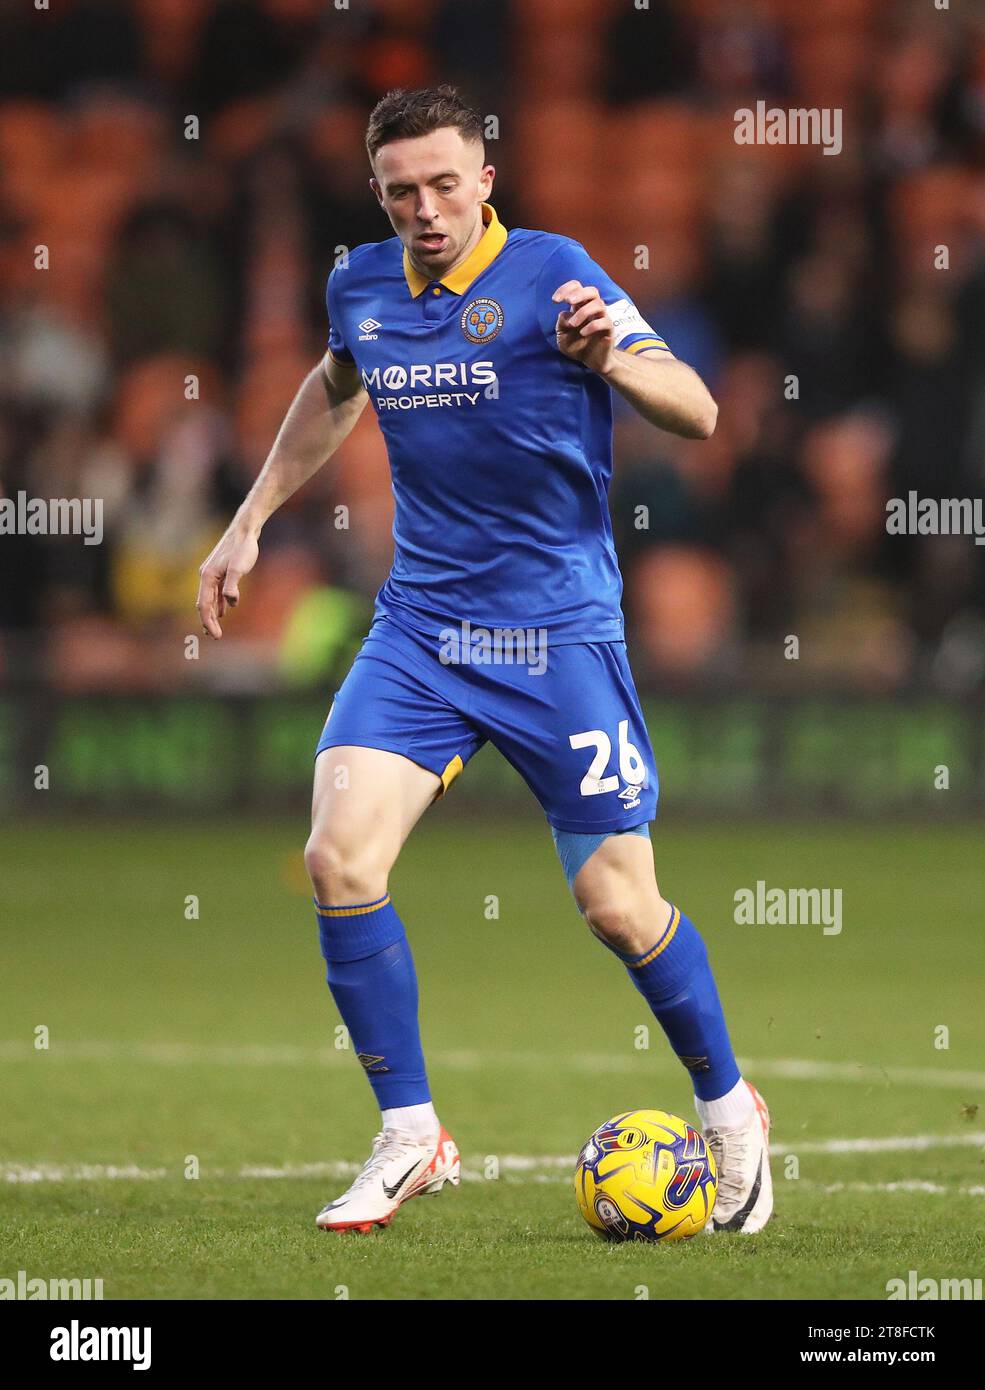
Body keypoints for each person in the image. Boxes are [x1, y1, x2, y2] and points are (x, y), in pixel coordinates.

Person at [196, 85, 772, 1237]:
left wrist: (609, 354)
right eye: (401, 189)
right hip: (423, 630)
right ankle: (411, 1135)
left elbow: (697, 410)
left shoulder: (556, 274)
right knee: (336, 855)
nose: (425, 208)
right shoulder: (358, 285)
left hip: (556, 635)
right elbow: (332, 386)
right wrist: (252, 517)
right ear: (378, 193)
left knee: (616, 903)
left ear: (485, 178)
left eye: (445, 183)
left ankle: (729, 1109)